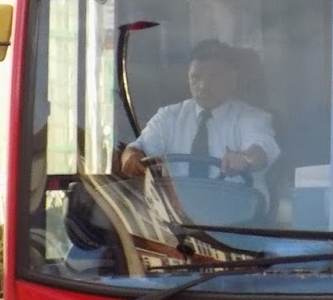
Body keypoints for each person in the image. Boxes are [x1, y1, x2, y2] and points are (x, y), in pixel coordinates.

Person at [120, 39, 280, 188]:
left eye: (214, 77)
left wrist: (245, 159)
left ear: (232, 78)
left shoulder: (252, 117)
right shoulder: (169, 117)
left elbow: (261, 150)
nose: (203, 86)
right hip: (176, 213)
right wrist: (131, 158)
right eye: (195, 77)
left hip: (239, 212)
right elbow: (136, 150)